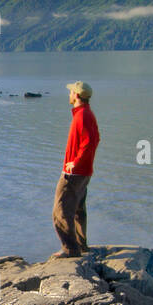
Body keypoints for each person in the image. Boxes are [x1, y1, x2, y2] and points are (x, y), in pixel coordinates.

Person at [53, 80, 99, 257]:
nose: (69, 94)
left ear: (77, 95)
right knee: (78, 209)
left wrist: (76, 163)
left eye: (71, 91)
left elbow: (90, 143)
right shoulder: (86, 114)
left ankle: (71, 250)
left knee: (60, 211)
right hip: (84, 172)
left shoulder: (82, 116)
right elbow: (96, 139)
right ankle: (81, 245)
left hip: (74, 173)